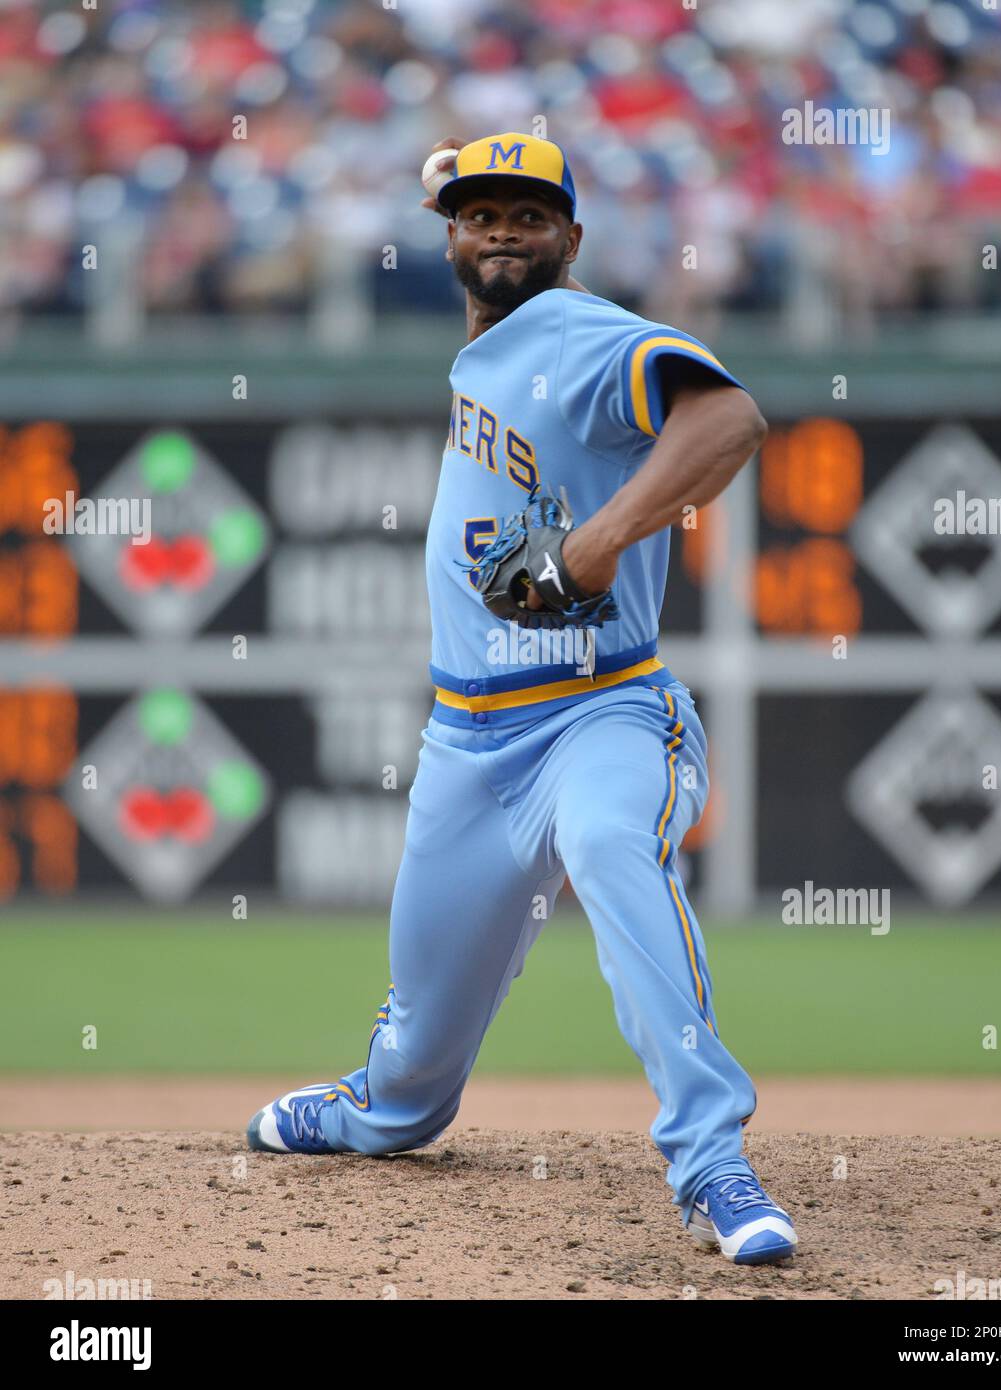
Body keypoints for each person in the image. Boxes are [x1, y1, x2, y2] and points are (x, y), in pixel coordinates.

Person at [247, 132, 798, 1265]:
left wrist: (595, 544)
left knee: (609, 847)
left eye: (529, 215)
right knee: (410, 1071)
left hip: (600, 709)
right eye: (480, 215)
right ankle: (375, 1111)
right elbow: (491, 288)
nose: (502, 231)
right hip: (466, 743)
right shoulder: (495, 337)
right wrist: (440, 177)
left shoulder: (583, 331)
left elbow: (728, 419)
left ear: (573, 239)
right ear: (449, 234)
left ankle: (714, 1162)